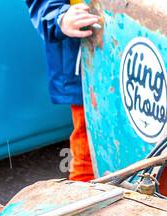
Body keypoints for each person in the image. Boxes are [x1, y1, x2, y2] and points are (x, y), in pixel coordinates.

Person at [27, 1, 102, 181]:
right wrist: (60, 17)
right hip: (87, 64)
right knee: (89, 154)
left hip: (141, 49)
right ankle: (83, 204)